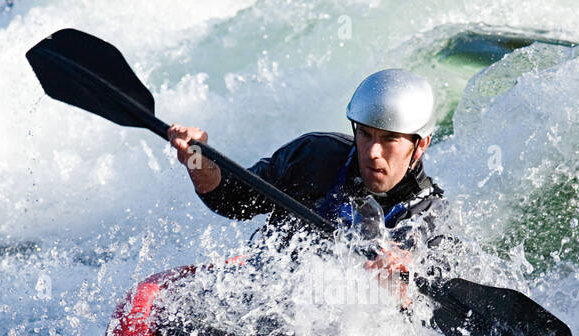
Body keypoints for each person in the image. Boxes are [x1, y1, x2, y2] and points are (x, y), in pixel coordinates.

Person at [167, 69, 462, 297]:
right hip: (265, 298)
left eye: (389, 140)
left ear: (420, 144)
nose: (373, 152)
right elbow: (230, 200)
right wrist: (195, 158)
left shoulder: (432, 220)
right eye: (365, 134)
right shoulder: (312, 157)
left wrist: (405, 283)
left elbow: (425, 320)